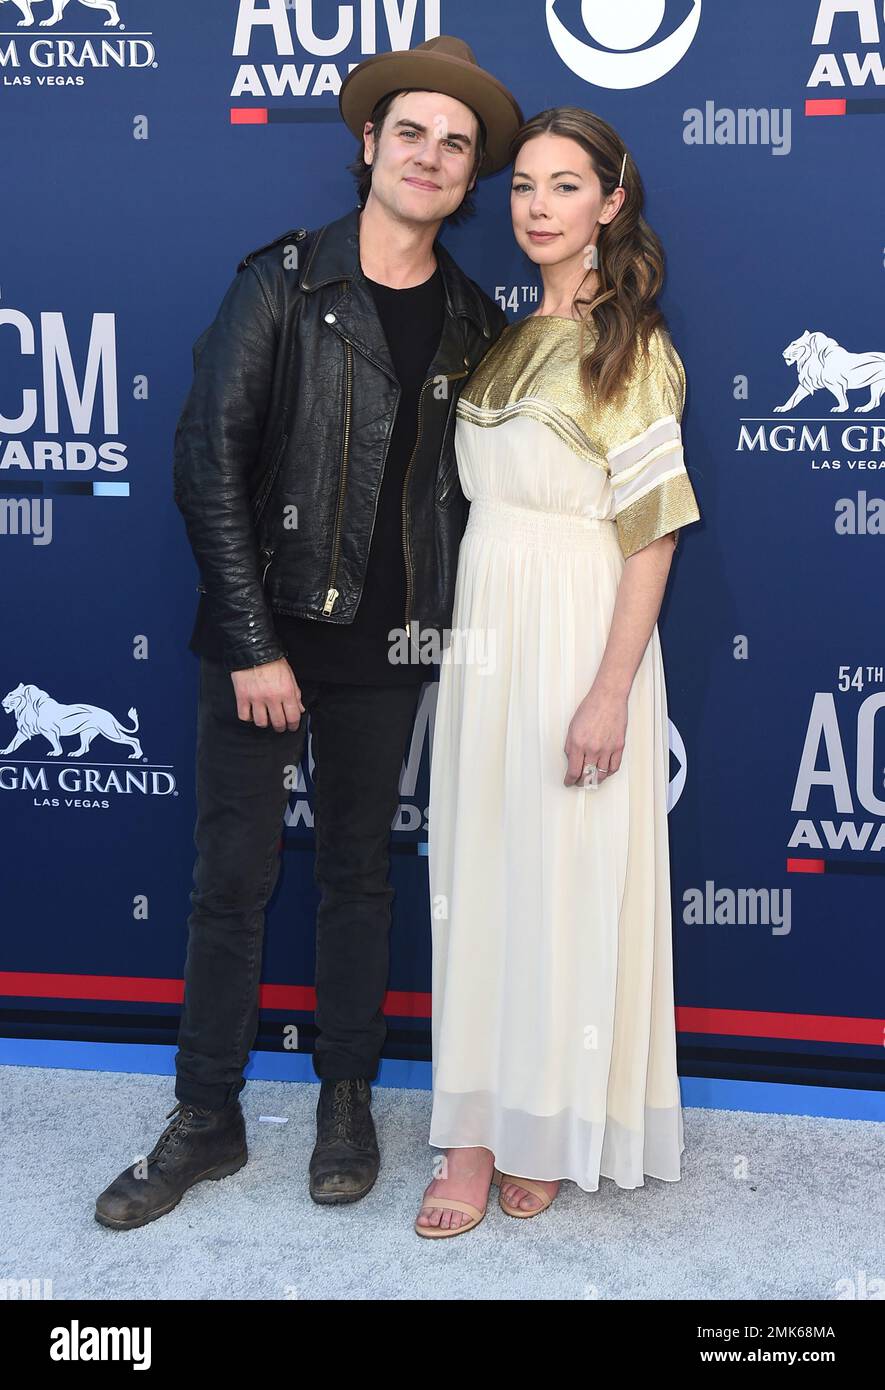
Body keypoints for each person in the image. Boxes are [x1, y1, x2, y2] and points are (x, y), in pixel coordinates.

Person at [93, 36, 523, 1230]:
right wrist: (249, 641)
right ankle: (206, 1114)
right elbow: (206, 461)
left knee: (355, 881)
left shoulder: (477, 321)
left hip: (392, 655)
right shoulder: (281, 281)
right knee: (230, 883)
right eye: (412, 133)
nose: (430, 155)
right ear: (368, 148)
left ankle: (346, 1096)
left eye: (455, 143)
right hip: (266, 642)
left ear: (470, 177)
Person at [414, 107, 702, 1237]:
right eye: (524, 185)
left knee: (563, 880)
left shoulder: (637, 349)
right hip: (491, 636)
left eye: (565, 186)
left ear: (611, 203)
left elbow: (656, 535)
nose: (537, 206)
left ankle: (550, 1117)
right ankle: (476, 1131)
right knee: (483, 878)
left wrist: (607, 689)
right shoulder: (495, 336)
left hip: (583, 634)